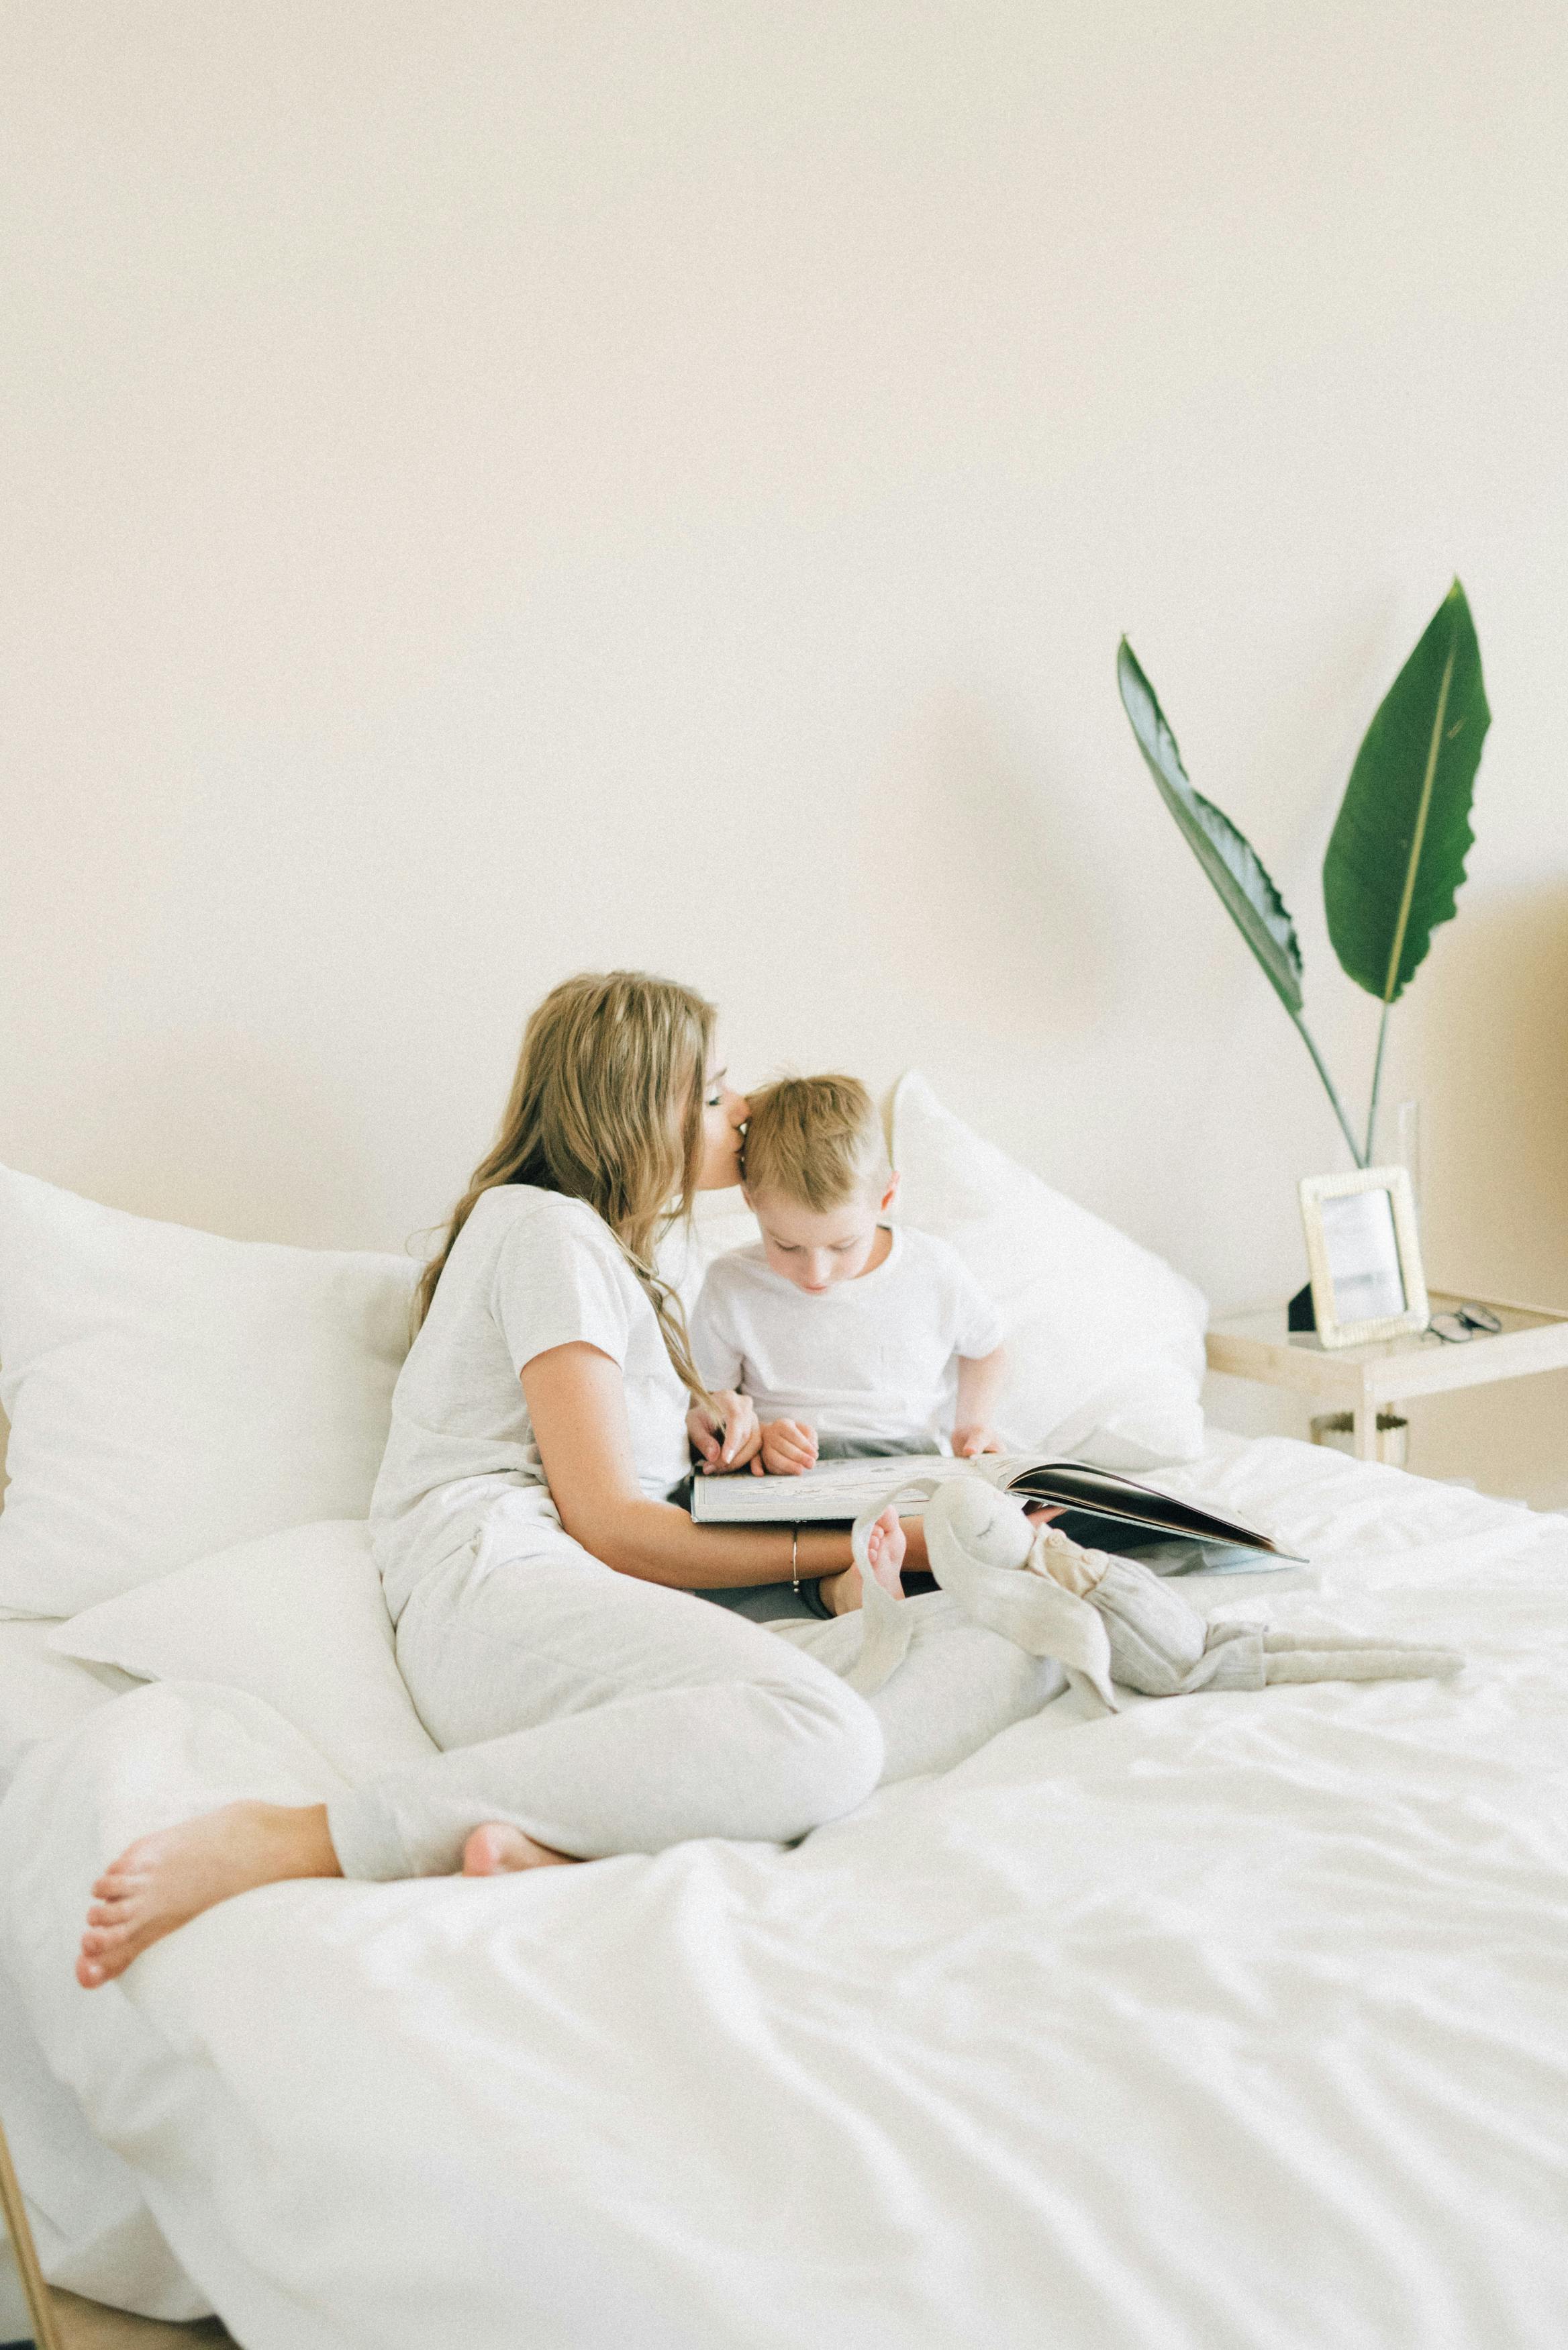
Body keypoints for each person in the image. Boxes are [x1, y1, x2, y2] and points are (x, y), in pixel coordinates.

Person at [76, 974, 916, 1990]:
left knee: (940, 1652)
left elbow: (604, 1465)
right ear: (633, 1112)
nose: (740, 1112)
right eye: (710, 1093)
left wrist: (708, 1430)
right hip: (495, 1583)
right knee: (826, 1734)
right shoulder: (546, 1231)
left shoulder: (605, 1250)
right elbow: (611, 1524)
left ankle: (548, 1853)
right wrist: (853, 1537)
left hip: (557, 1589)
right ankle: (309, 1836)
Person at [687, 1074, 1008, 1482]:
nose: (815, 1274)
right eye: (787, 1246)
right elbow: (711, 1403)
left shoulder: (934, 1267)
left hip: (909, 1460)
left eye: (842, 1246)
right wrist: (756, 1437)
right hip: (779, 1471)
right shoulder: (730, 1282)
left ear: (885, 1198)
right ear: (750, 1200)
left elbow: (986, 1348)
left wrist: (972, 1424)